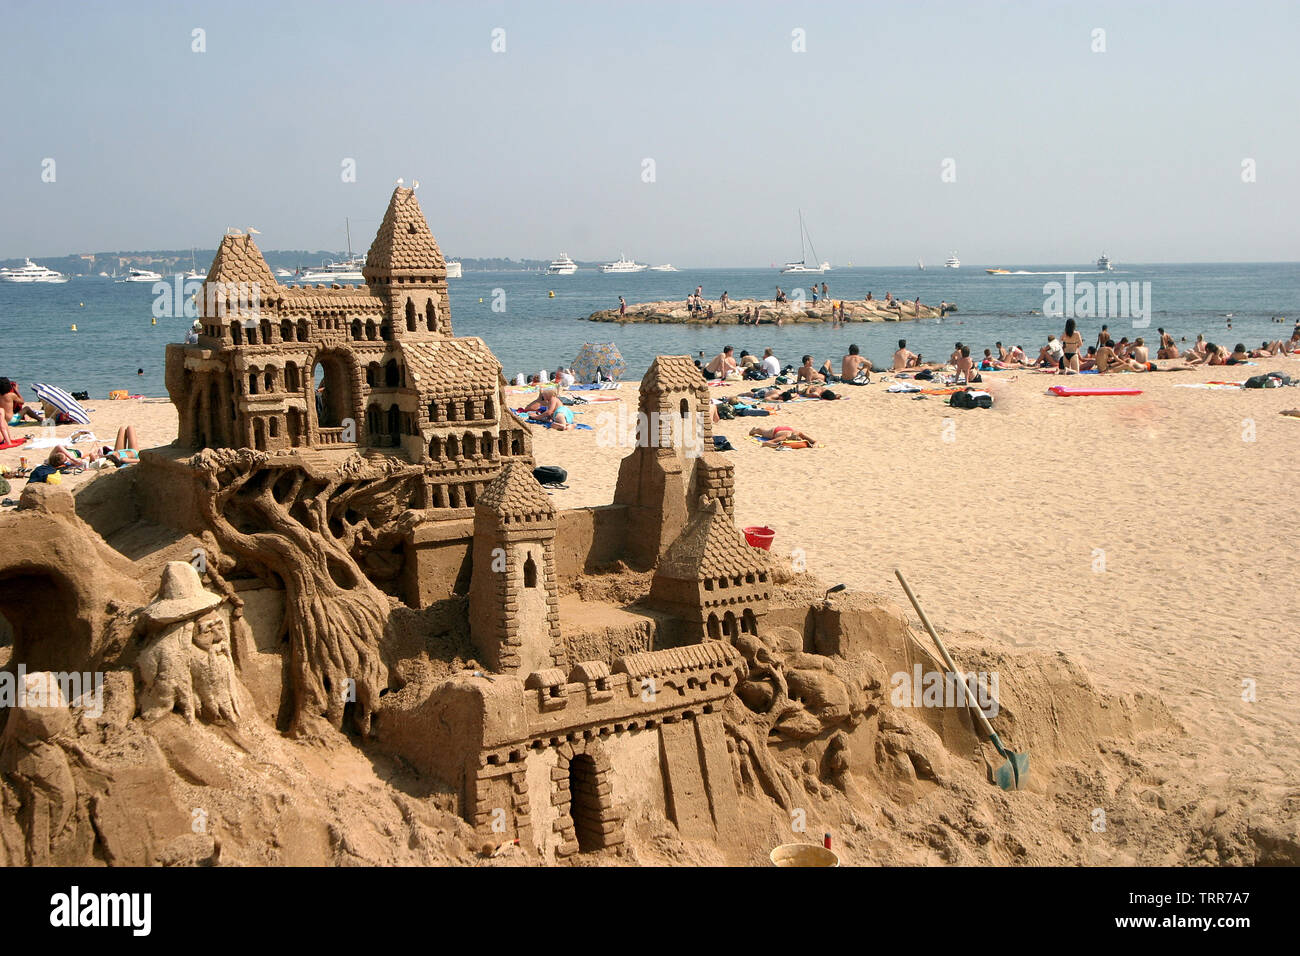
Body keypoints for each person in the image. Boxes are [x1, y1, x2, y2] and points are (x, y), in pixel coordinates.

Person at [749, 424, 816, 447]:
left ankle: (757, 429)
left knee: (764, 432)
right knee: (763, 433)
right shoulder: (784, 437)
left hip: (787, 429)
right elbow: (766, 443)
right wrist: (777, 445)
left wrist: (815, 445)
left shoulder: (799, 433)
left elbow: (815, 441)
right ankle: (756, 430)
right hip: (775, 431)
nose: (798, 440)